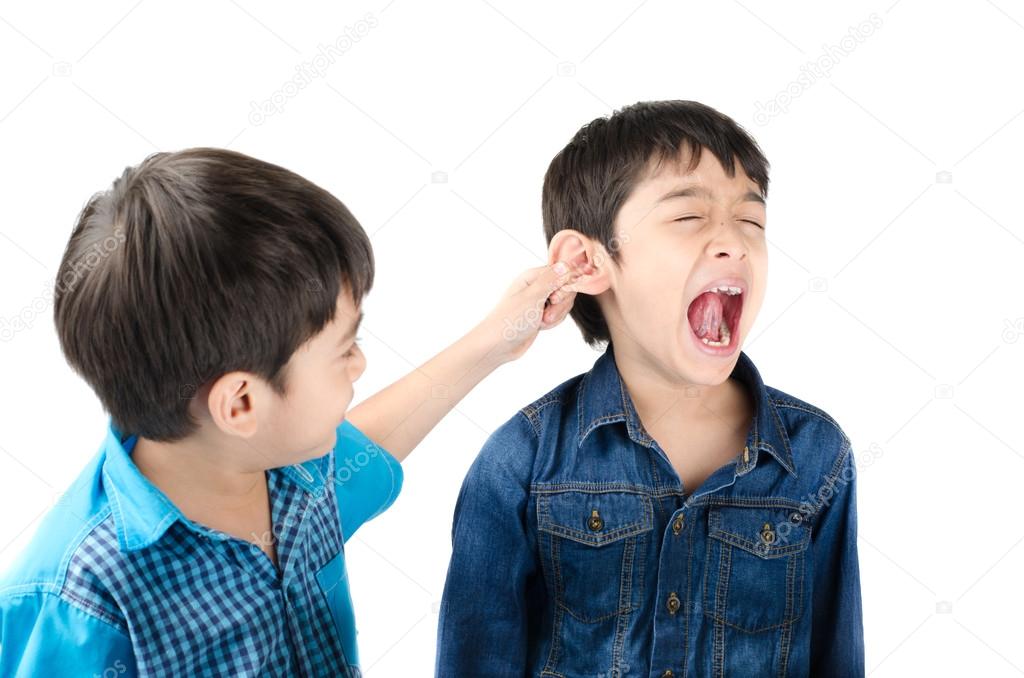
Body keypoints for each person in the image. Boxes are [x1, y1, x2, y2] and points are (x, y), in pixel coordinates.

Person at [0, 147, 579, 677]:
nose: (359, 365)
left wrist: (496, 339)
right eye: (343, 350)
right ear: (242, 403)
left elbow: (367, 445)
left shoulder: (284, 469)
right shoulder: (80, 596)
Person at [436, 100, 865, 677]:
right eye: (689, 217)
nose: (734, 244)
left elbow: (837, 659)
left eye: (752, 222)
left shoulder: (818, 455)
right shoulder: (523, 460)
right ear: (587, 262)